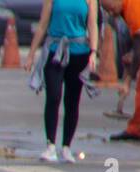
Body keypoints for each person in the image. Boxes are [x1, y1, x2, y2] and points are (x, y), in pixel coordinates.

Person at [25, 0, 98, 162]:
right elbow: (43, 24)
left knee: (72, 101)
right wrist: (31, 54)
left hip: (79, 52)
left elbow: (92, 25)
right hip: (54, 51)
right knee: (53, 96)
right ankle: (50, 145)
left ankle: (66, 147)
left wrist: (93, 52)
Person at [104, 0, 140, 142]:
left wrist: (127, 79)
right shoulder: (125, 9)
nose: (111, 14)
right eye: (107, 11)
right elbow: (139, 42)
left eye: (111, 8)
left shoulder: (134, 7)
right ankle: (137, 127)